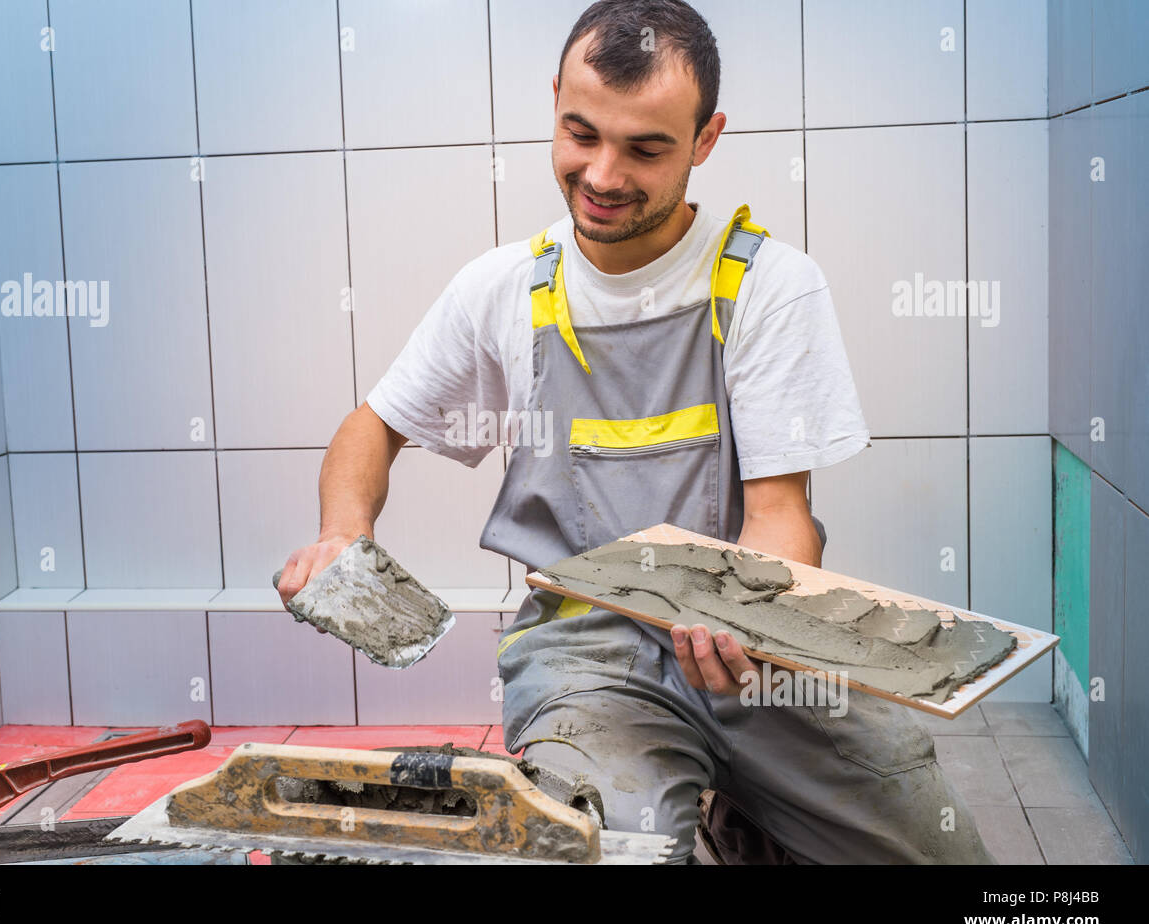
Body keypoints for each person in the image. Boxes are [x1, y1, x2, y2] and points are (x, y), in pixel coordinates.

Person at [278, 0, 994, 865]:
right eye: (581, 134)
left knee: (944, 860)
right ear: (553, 103)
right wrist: (341, 532)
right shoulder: (504, 289)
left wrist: (734, 610)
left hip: (755, 643)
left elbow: (780, 515)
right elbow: (373, 425)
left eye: (646, 148)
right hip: (587, 656)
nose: (604, 174)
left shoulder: (768, 288)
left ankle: (749, 821)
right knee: (612, 851)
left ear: (705, 139)